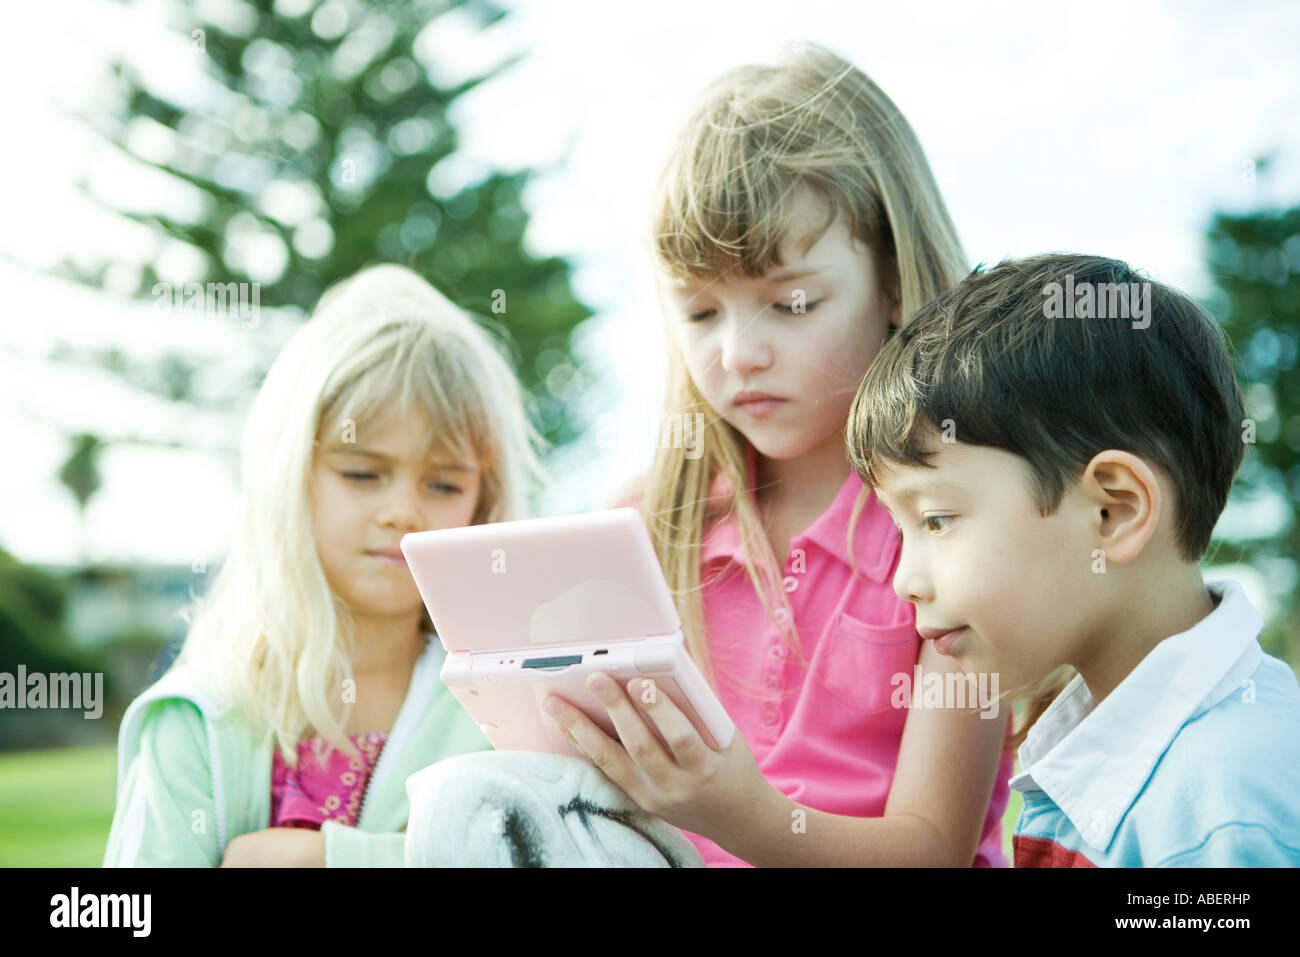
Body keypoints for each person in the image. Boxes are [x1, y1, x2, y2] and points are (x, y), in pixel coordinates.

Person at [541, 42, 1024, 866]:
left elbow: (931, 849)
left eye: (790, 303)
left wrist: (740, 812)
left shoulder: (954, 527)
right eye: (698, 313)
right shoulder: (644, 526)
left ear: (896, 281)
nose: (738, 353)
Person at [848, 252, 1300, 866]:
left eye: (936, 520)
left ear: (1113, 512)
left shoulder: (1220, 809)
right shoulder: (1143, 755)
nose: (904, 580)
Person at [103, 264, 547, 866]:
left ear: (484, 503)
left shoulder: (517, 711)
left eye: (443, 484)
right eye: (362, 473)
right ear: (290, 478)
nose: (403, 512)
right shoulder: (199, 721)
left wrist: (328, 861)